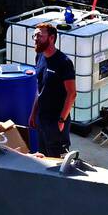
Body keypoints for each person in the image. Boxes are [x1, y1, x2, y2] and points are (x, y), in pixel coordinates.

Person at [29, 23, 76, 157]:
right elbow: (40, 89)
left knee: (57, 162)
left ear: (51, 38)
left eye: (39, 36)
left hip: (56, 122)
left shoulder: (64, 62)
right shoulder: (40, 57)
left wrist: (61, 120)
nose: (35, 39)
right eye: (35, 35)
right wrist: (33, 113)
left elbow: (72, 94)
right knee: (42, 158)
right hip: (41, 119)